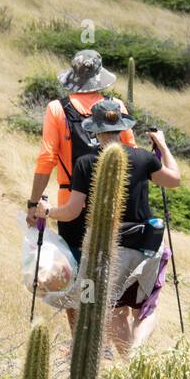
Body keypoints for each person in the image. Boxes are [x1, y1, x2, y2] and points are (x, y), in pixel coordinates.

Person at [36, 98, 180, 355]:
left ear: (94, 129)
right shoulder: (144, 158)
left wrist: (48, 212)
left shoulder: (86, 163)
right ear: (121, 128)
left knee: (113, 309)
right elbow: (174, 180)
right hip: (147, 243)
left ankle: (129, 362)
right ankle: (135, 355)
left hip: (112, 248)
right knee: (145, 308)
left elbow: (71, 212)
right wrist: (163, 146)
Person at [25, 50, 136, 266]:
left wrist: (33, 204)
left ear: (74, 76)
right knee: (109, 272)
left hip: (70, 205)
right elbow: (131, 154)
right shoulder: (117, 108)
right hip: (113, 204)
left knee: (76, 271)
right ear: (99, 76)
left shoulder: (57, 109)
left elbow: (47, 159)